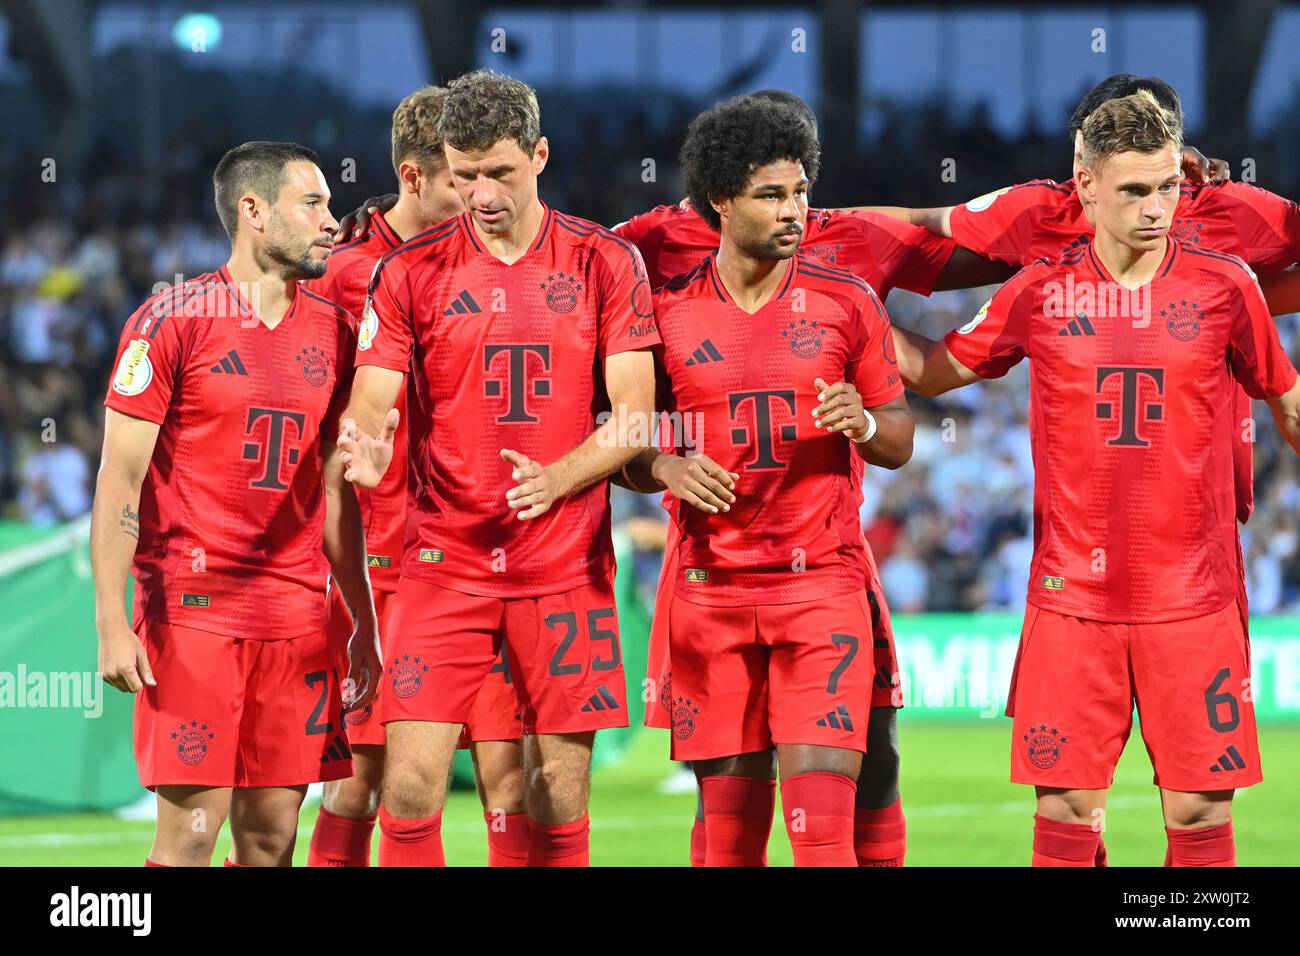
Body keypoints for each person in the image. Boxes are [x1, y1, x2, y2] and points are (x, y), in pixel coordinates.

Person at [893, 91, 1300, 866]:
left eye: (1167, 188)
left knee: (1197, 810)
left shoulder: (1227, 286)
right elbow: (934, 370)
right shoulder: (1042, 290)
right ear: (1084, 185)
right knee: (1070, 809)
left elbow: (1291, 407)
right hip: (1071, 600)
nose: (1156, 209)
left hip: (1195, 598)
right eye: (1134, 191)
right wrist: (848, 311)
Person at [337, 69, 659, 867]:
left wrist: (559, 477)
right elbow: (371, 396)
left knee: (554, 792)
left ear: (540, 155)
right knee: (406, 790)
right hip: (442, 566)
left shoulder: (605, 263)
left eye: (500, 173)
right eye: (464, 172)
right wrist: (367, 442)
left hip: (566, 567)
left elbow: (637, 417)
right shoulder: (408, 272)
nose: (481, 192)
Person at [623, 95, 914, 866]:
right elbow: (621, 445)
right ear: (720, 200)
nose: (796, 211)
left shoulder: (846, 302)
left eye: (801, 192)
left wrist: (864, 424)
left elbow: (900, 439)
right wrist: (662, 465)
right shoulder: (666, 317)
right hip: (710, 596)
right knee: (729, 846)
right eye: (772, 195)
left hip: (820, 591)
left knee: (822, 835)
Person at [92, 141, 381, 867]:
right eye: (312, 203)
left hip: (296, 622)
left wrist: (363, 621)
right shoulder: (170, 321)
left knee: (271, 839)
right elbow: (118, 483)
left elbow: (336, 495)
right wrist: (109, 623)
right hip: (192, 617)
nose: (331, 221)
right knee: (190, 836)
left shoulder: (338, 334)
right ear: (253, 211)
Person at [303, 86, 528, 867]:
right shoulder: (341, 276)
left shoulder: (499, 263)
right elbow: (323, 436)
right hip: (387, 560)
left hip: (492, 557)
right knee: (367, 772)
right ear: (414, 176)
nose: (478, 198)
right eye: (460, 182)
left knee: (512, 767)